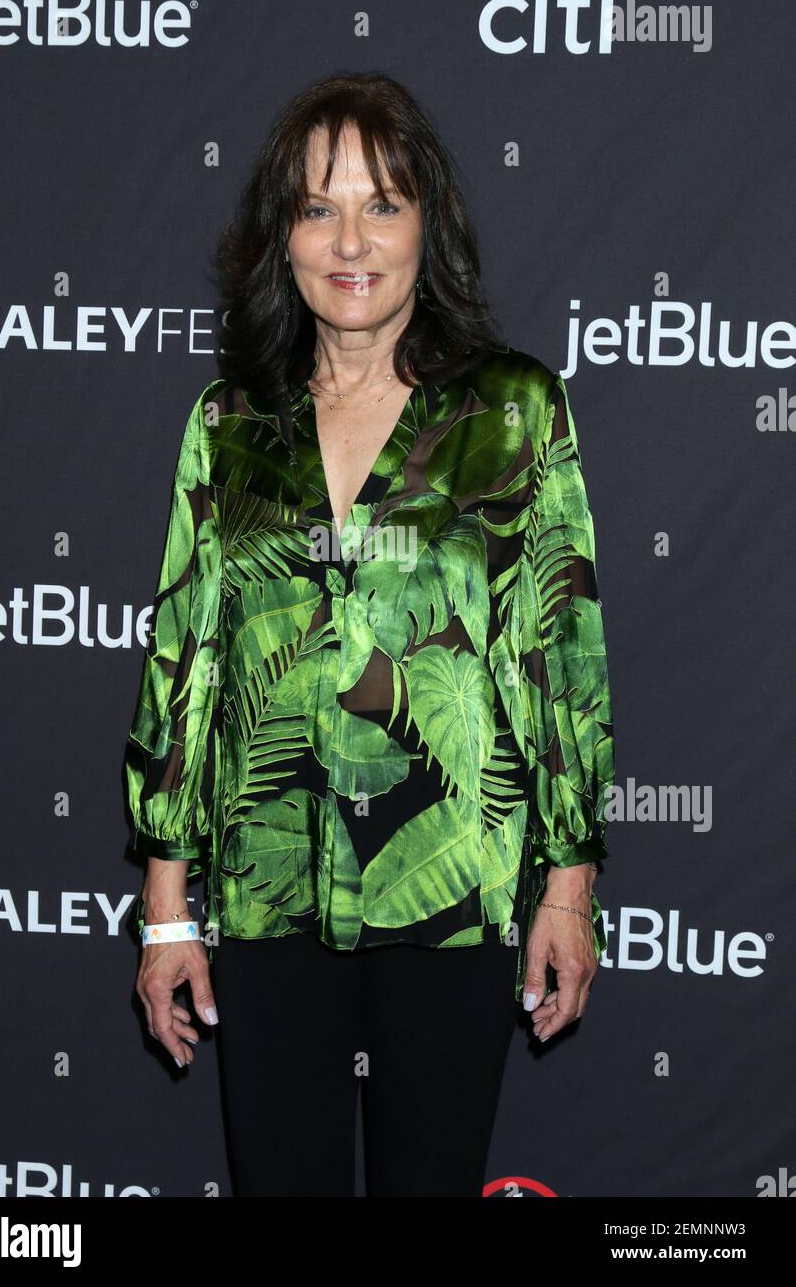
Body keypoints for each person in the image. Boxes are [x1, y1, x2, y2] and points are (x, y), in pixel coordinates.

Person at [124, 71, 614, 1197]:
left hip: (451, 894)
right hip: (267, 895)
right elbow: (185, 666)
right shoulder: (229, 421)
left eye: (381, 204)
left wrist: (565, 889)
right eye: (316, 207)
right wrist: (164, 914)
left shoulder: (512, 411)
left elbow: (560, 660)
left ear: (425, 224)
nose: (351, 239)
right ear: (279, 238)